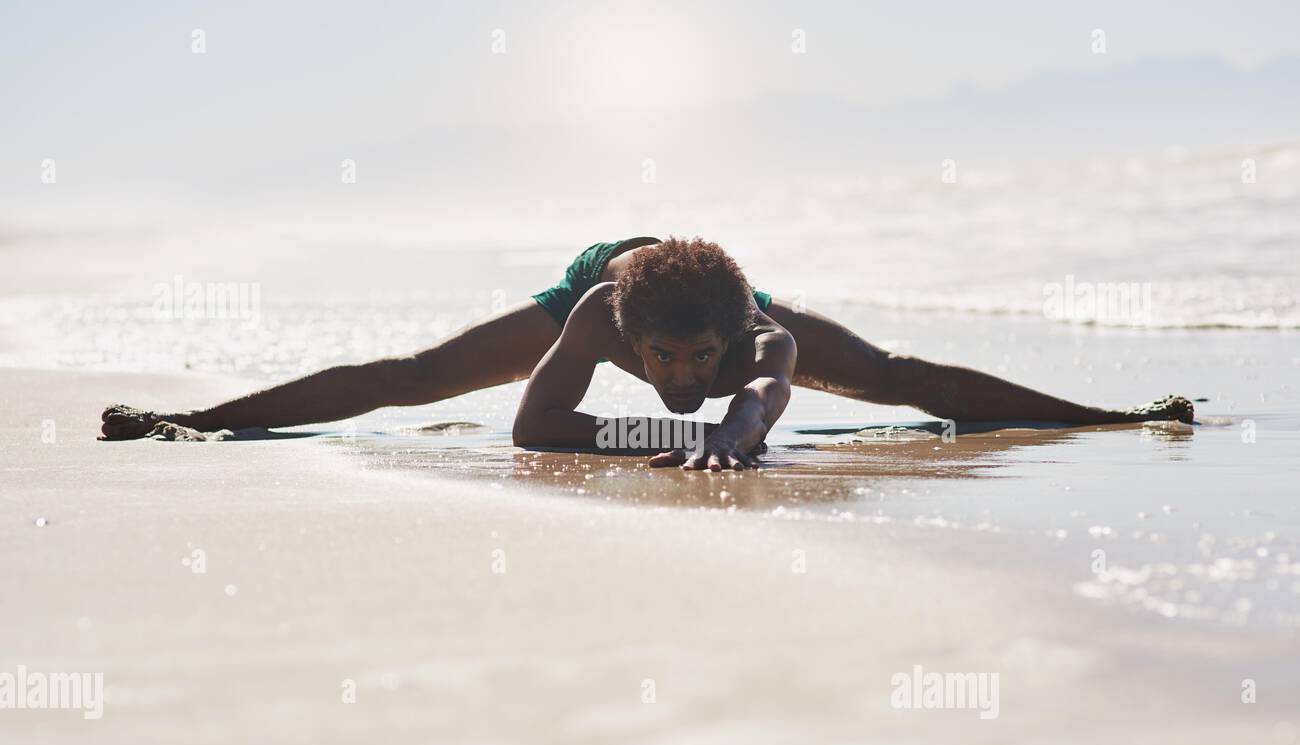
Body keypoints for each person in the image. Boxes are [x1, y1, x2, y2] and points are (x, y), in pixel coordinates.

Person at [101, 235, 1194, 469]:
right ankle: (194, 421)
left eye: (697, 362)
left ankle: (1111, 412)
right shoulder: (593, 321)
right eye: (663, 362)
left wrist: (740, 420)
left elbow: (765, 391)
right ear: (630, 342)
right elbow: (533, 427)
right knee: (410, 378)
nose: (680, 378)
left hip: (706, 282)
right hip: (607, 271)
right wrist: (652, 433)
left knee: (897, 382)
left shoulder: (758, 335)